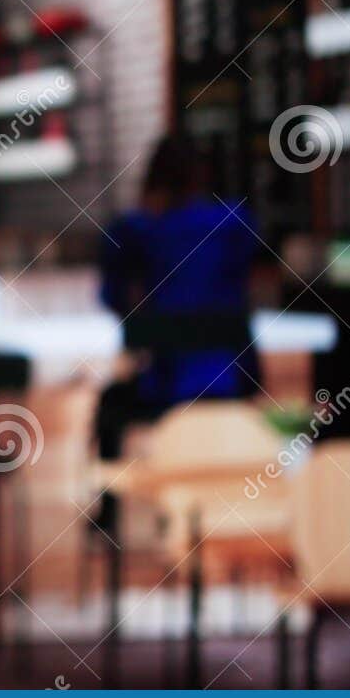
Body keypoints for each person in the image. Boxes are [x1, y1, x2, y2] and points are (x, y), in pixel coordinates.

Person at [94, 134, 258, 460]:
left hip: (164, 386)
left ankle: (108, 508)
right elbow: (243, 286)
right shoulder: (235, 222)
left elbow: (112, 296)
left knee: (110, 406)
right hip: (232, 380)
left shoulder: (134, 229)